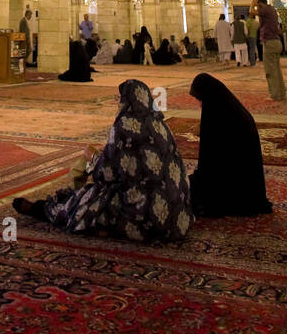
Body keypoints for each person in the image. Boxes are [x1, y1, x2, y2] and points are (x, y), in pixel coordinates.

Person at [12, 79, 193, 244]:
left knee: (85, 202)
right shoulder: (162, 125)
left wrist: (93, 158)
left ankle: (43, 209)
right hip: (177, 219)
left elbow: (106, 176)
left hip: (146, 220)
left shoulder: (124, 126)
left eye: (119, 99)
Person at [188, 74, 272, 217]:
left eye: (200, 99)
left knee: (190, 192)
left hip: (237, 185)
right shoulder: (228, 108)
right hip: (243, 180)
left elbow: (212, 162)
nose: (200, 104)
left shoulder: (225, 114)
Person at [253, 0, 286, 102]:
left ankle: (275, 95)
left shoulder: (265, 9)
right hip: (276, 42)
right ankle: (281, 93)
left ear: (259, 2)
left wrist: (252, 4)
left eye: (257, 2)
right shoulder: (271, 9)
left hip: (270, 43)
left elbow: (251, 13)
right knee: (276, 70)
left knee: (270, 71)